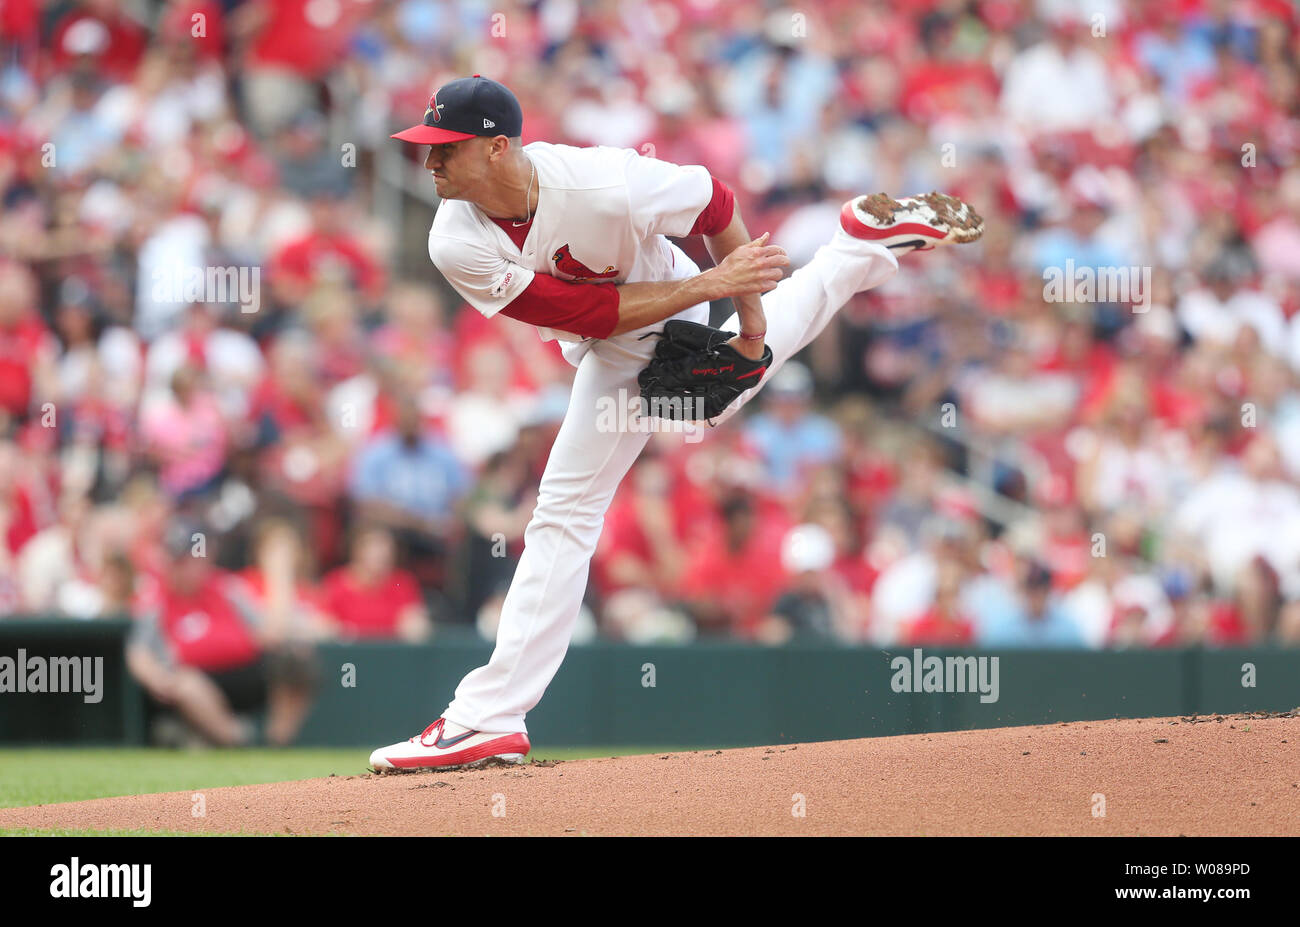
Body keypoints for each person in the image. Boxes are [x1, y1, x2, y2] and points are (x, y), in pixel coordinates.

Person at [369, 75, 982, 771]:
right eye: (428, 147)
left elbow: (714, 200)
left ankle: (489, 717)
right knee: (582, 499)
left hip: (677, 319)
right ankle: (857, 246)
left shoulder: (604, 182)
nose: (431, 163)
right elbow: (579, 314)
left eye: (446, 149)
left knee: (573, 506)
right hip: (622, 335)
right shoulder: (452, 239)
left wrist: (748, 325)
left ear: (499, 148)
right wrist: (711, 289)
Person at [126, 520, 318, 746]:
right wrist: (157, 679)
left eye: (189, 560)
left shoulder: (227, 588)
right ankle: (238, 742)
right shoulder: (155, 599)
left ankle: (277, 740)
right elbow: (138, 653)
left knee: (295, 660)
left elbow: (267, 631)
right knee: (186, 684)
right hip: (196, 680)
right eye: (178, 561)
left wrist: (280, 576)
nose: (184, 567)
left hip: (244, 673)